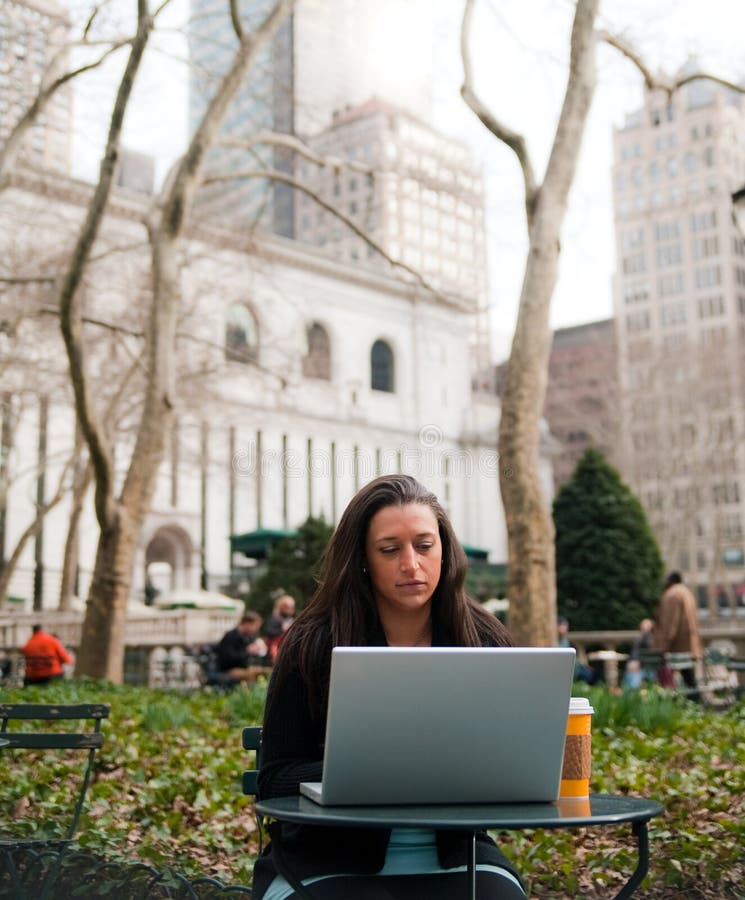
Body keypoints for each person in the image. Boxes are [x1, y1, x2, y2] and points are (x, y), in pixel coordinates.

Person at [255, 474, 526, 900]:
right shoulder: (312, 643)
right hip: (325, 857)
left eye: (424, 545)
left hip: (458, 855)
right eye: (389, 550)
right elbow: (274, 779)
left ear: (444, 551)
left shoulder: (484, 639)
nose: (410, 564)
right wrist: (373, 771)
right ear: (362, 557)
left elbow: (509, 762)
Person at [654, 572, 702, 699]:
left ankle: (684, 704)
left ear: (671, 580)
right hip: (689, 645)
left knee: (666, 679)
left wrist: (664, 644)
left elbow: (671, 623)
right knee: (689, 678)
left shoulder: (672, 595)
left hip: (676, 646)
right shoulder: (687, 593)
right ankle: (696, 704)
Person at [215, 611, 271, 683]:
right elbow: (229, 659)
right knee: (250, 674)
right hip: (230, 669)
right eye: (255, 626)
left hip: (246, 667)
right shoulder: (231, 636)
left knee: (268, 671)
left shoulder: (248, 637)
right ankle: (250, 694)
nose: (256, 629)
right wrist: (247, 651)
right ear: (247, 624)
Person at [557, 616, 597, 684]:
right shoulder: (553, 640)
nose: (565, 628)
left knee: (594, 675)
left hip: (576, 667)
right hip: (566, 670)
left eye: (566, 626)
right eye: (563, 626)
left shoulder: (565, 640)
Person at [623, 618, 655, 689]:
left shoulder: (649, 639)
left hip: (646, 667)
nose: (643, 627)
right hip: (638, 664)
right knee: (631, 668)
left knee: (633, 671)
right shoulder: (640, 637)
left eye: (646, 625)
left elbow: (649, 654)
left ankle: (630, 691)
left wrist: (638, 662)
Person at [263, 594, 296, 662]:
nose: (290, 610)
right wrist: (282, 629)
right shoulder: (275, 618)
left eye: (291, 607)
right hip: (274, 648)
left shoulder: (290, 619)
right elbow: (268, 632)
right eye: (287, 607)